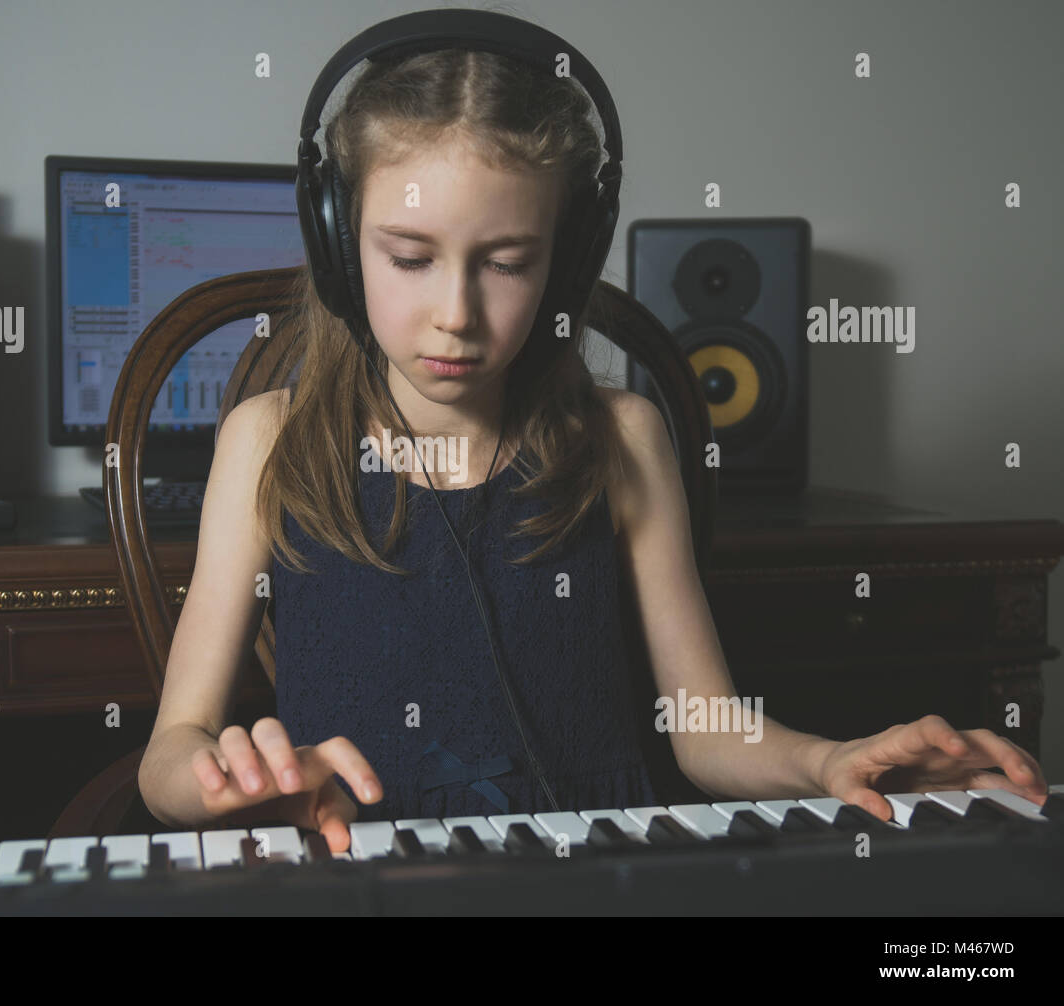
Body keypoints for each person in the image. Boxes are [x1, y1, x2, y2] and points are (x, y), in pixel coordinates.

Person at [138, 43, 1047, 854]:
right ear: (340, 248)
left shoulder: (623, 438)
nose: (456, 312)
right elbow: (168, 756)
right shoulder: (268, 442)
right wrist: (230, 779)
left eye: (506, 262)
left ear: (566, 264)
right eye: (409, 257)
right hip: (362, 874)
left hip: (598, 872)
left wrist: (830, 760)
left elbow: (706, 730)